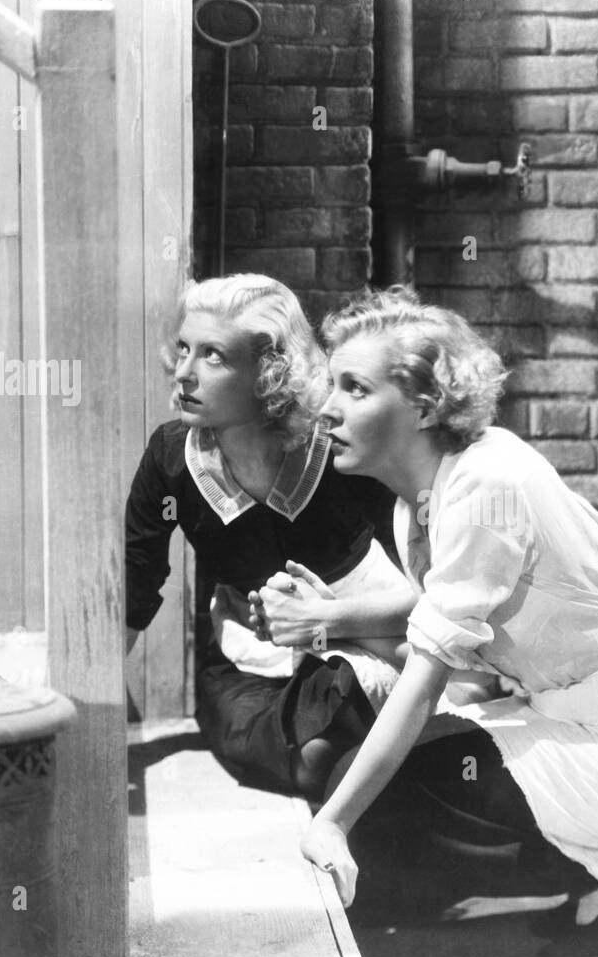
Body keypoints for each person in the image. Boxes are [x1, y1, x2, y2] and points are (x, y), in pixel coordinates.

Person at [303, 287, 598, 957]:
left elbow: (427, 672)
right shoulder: (424, 501)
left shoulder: (487, 485)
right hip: (571, 712)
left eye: (353, 387)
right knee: (347, 761)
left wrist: (332, 825)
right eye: (332, 384)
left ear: (423, 404)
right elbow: (448, 642)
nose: (327, 407)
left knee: (372, 795)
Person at [123, 273, 417, 799]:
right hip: (249, 661)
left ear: (269, 371)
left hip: (375, 640)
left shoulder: (339, 446)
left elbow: (434, 597)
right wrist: (81, 720)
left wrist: (329, 620)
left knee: (341, 747)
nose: (184, 374)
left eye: (214, 356)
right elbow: (134, 588)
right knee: (304, 761)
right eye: (184, 349)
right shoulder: (171, 459)